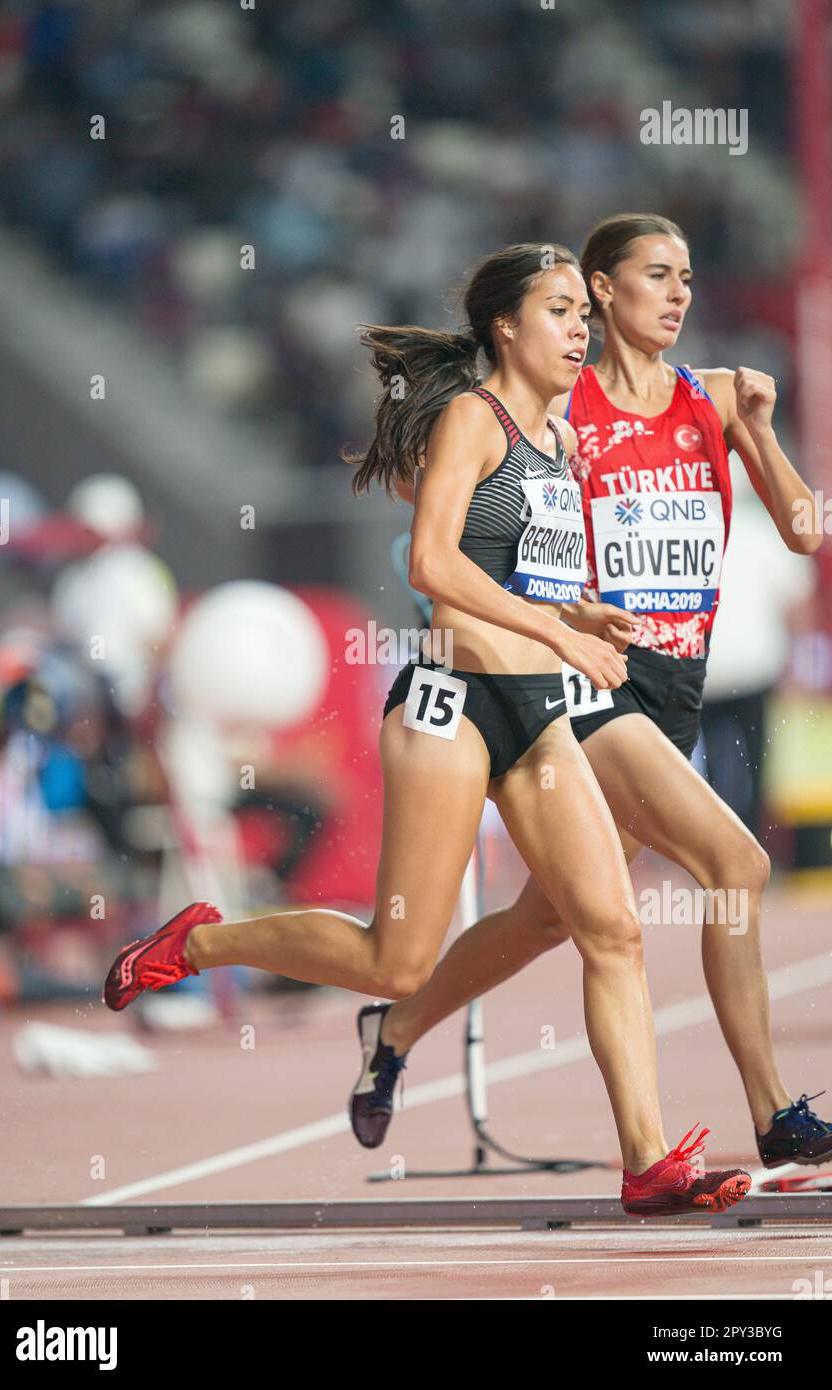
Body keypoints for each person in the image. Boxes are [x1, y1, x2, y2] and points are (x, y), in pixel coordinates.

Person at [103, 240, 750, 1216]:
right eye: (559, 312)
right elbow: (437, 565)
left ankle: (646, 1163)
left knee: (612, 929)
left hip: (534, 719)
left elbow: (530, 574)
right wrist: (551, 630)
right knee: (394, 960)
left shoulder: (560, 442)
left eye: (584, 313)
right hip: (449, 707)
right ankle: (202, 943)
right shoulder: (468, 421)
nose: (580, 331)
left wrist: (579, 614)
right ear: (504, 326)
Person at [348, 214, 832, 1176]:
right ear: (603, 294)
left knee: (550, 918)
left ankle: (395, 1025)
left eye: (689, 276)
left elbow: (808, 530)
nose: (681, 294)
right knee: (734, 865)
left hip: (675, 688)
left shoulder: (721, 395)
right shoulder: (563, 406)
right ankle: (777, 1113)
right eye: (658, 275)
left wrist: (763, 435)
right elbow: (441, 504)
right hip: (587, 683)